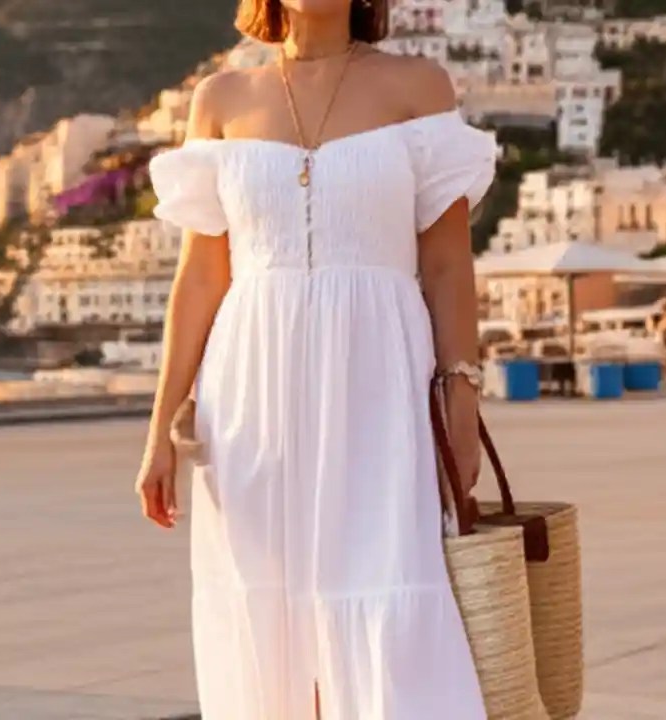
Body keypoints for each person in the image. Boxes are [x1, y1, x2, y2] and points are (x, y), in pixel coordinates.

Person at [134, 1, 495, 718]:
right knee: (264, 597)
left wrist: (462, 395)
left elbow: (449, 264)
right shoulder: (221, 99)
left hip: (378, 379)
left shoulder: (419, 86)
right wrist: (158, 432)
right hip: (248, 392)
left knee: (383, 580)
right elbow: (202, 277)